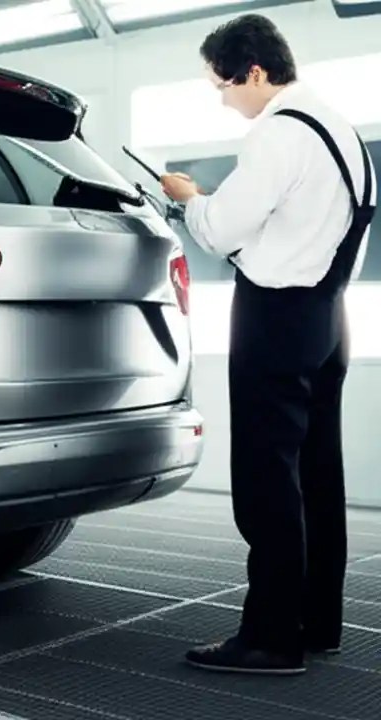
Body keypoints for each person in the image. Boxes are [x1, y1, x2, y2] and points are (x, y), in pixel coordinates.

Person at [160, 13, 375, 675]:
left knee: (265, 478)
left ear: (254, 71)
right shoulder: (339, 131)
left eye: (224, 86)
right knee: (316, 475)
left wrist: (189, 198)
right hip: (326, 318)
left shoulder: (278, 133)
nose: (225, 100)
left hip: (277, 318)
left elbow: (223, 230)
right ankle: (315, 624)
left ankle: (271, 639)